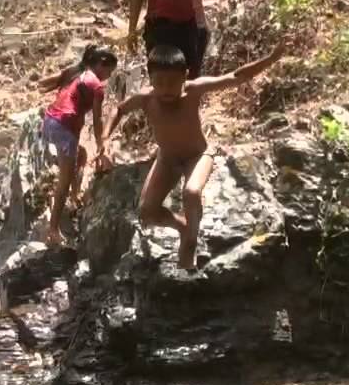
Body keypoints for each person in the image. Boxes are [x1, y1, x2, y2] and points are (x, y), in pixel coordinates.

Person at [102, 41, 287, 269]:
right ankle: (183, 227)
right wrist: (105, 140)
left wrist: (270, 59)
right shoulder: (146, 98)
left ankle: (189, 243)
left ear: (185, 77)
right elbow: (118, 109)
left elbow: (236, 76)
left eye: (172, 82)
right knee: (147, 212)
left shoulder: (194, 90)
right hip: (167, 158)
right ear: (150, 79)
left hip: (197, 155)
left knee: (191, 192)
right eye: (159, 82)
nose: (166, 89)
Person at [38, 44, 118, 245]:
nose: (108, 77)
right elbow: (98, 120)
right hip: (64, 127)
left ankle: (75, 198)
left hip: (49, 122)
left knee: (80, 156)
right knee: (64, 180)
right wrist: (102, 146)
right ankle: (53, 230)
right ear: (102, 64)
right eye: (109, 71)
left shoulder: (77, 73)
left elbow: (43, 84)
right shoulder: (96, 85)